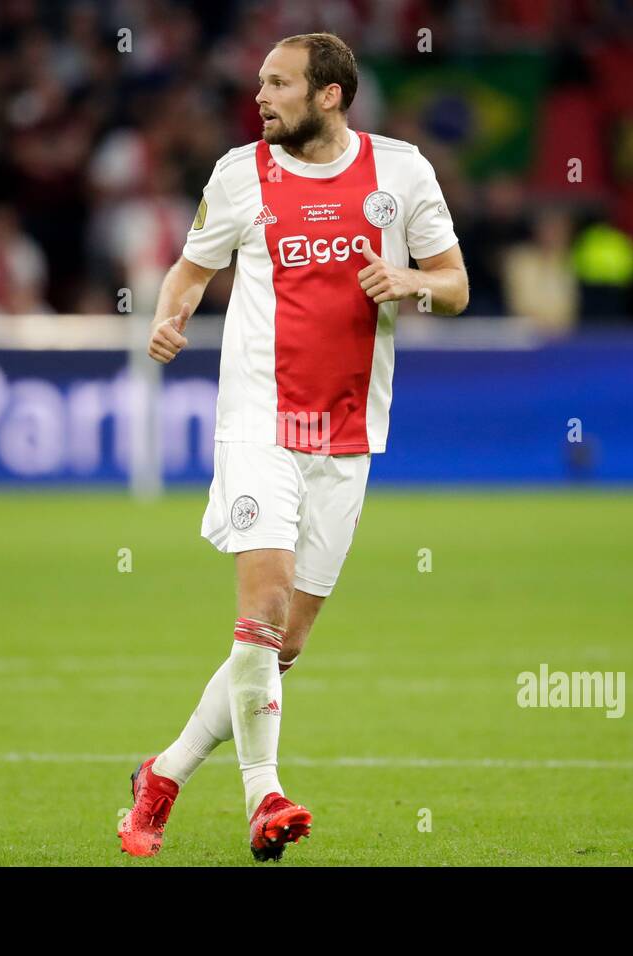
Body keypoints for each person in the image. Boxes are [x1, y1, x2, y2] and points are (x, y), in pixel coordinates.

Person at [121, 31, 468, 861]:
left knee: (287, 643)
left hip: (347, 435)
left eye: (278, 84)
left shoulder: (403, 173)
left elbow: (454, 284)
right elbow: (190, 269)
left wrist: (414, 283)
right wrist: (170, 314)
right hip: (259, 424)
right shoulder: (242, 174)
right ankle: (263, 796)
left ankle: (162, 774)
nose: (261, 98)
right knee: (263, 607)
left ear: (330, 95)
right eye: (259, 84)